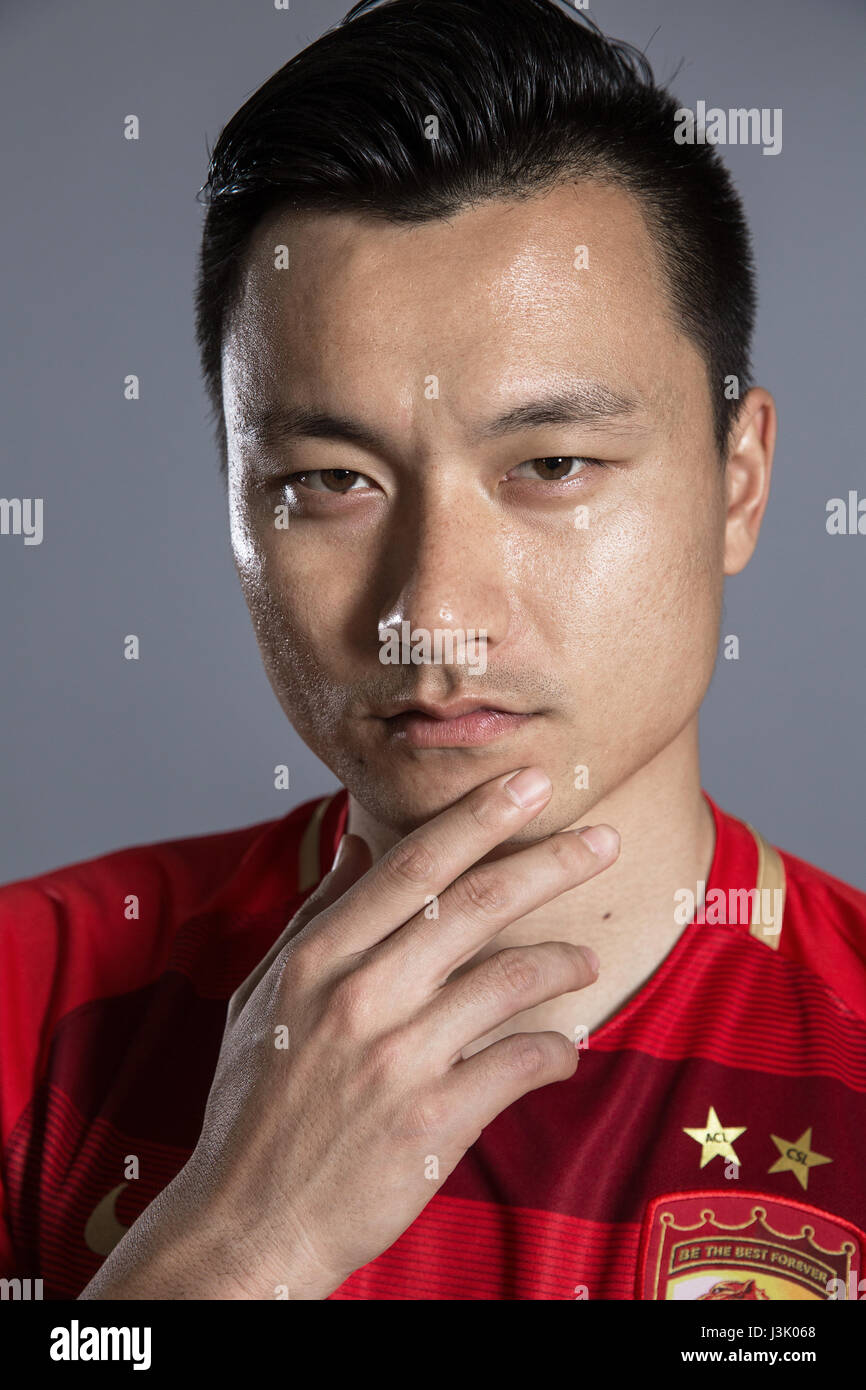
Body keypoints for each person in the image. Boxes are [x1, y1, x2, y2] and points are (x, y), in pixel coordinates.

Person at [1, 0, 864, 1302]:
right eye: (333, 480)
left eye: (553, 464)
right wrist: (235, 1247)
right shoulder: (28, 1005)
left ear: (735, 482)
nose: (432, 609)